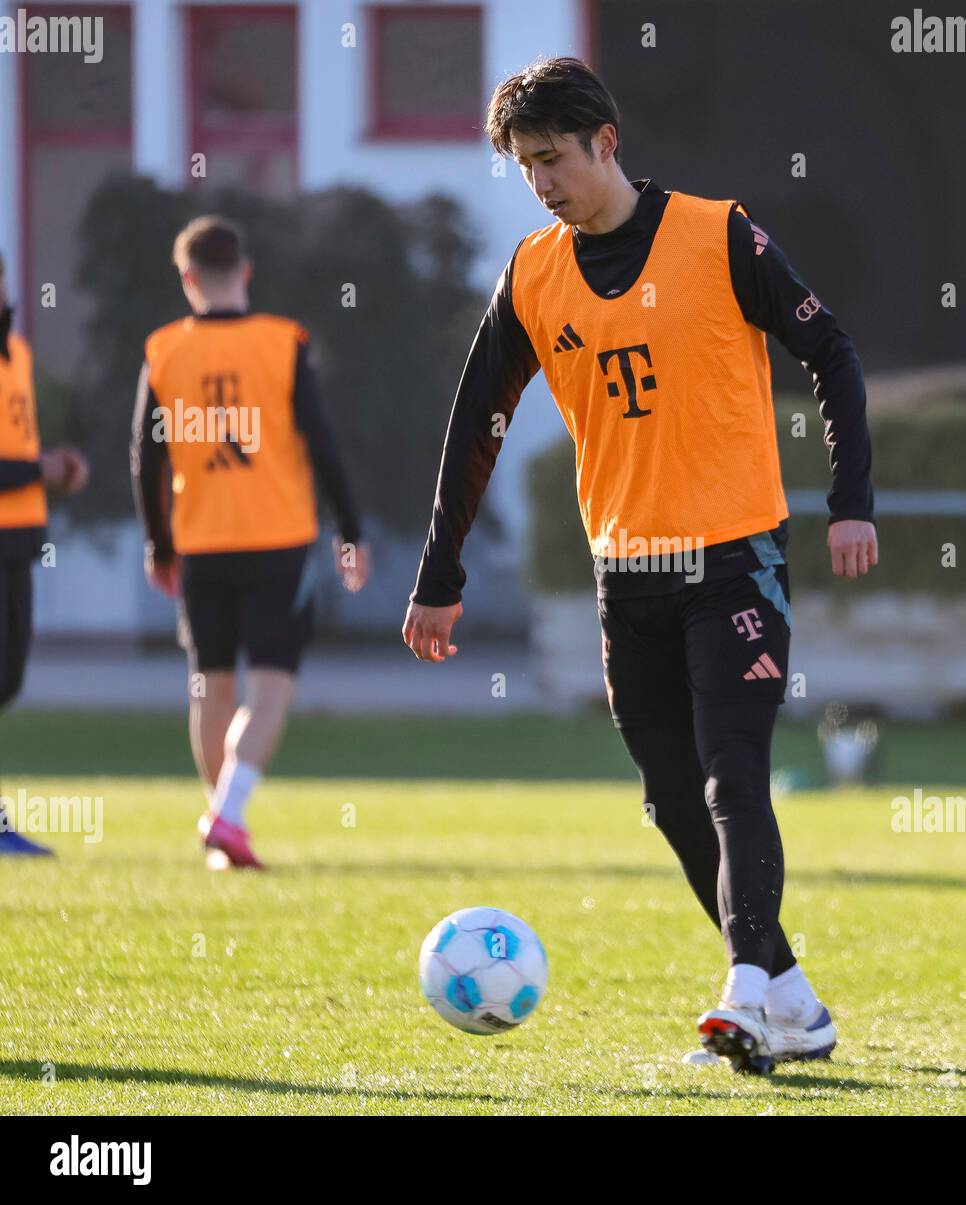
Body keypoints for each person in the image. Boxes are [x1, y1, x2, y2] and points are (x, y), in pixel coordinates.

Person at [402, 58, 877, 1074]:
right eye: (524, 167)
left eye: (551, 159)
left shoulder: (719, 234)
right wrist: (439, 569)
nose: (540, 182)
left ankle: (744, 995)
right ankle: (790, 993)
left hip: (734, 557)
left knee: (731, 774)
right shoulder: (532, 273)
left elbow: (828, 350)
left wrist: (850, 502)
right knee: (669, 795)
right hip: (626, 572)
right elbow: (477, 420)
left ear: (603, 141)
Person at [131, 216, 368, 871]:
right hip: (278, 537)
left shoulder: (163, 349)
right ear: (245, 270)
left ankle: (224, 819)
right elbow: (321, 443)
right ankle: (229, 815)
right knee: (271, 685)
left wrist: (157, 543)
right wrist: (351, 531)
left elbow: (144, 458)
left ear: (186, 277)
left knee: (210, 684)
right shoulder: (283, 342)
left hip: (201, 540)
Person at [0, 250, 90, 856]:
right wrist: (42, 468)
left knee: (8, 678)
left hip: (18, 541)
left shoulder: (19, 352)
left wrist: (49, 467)